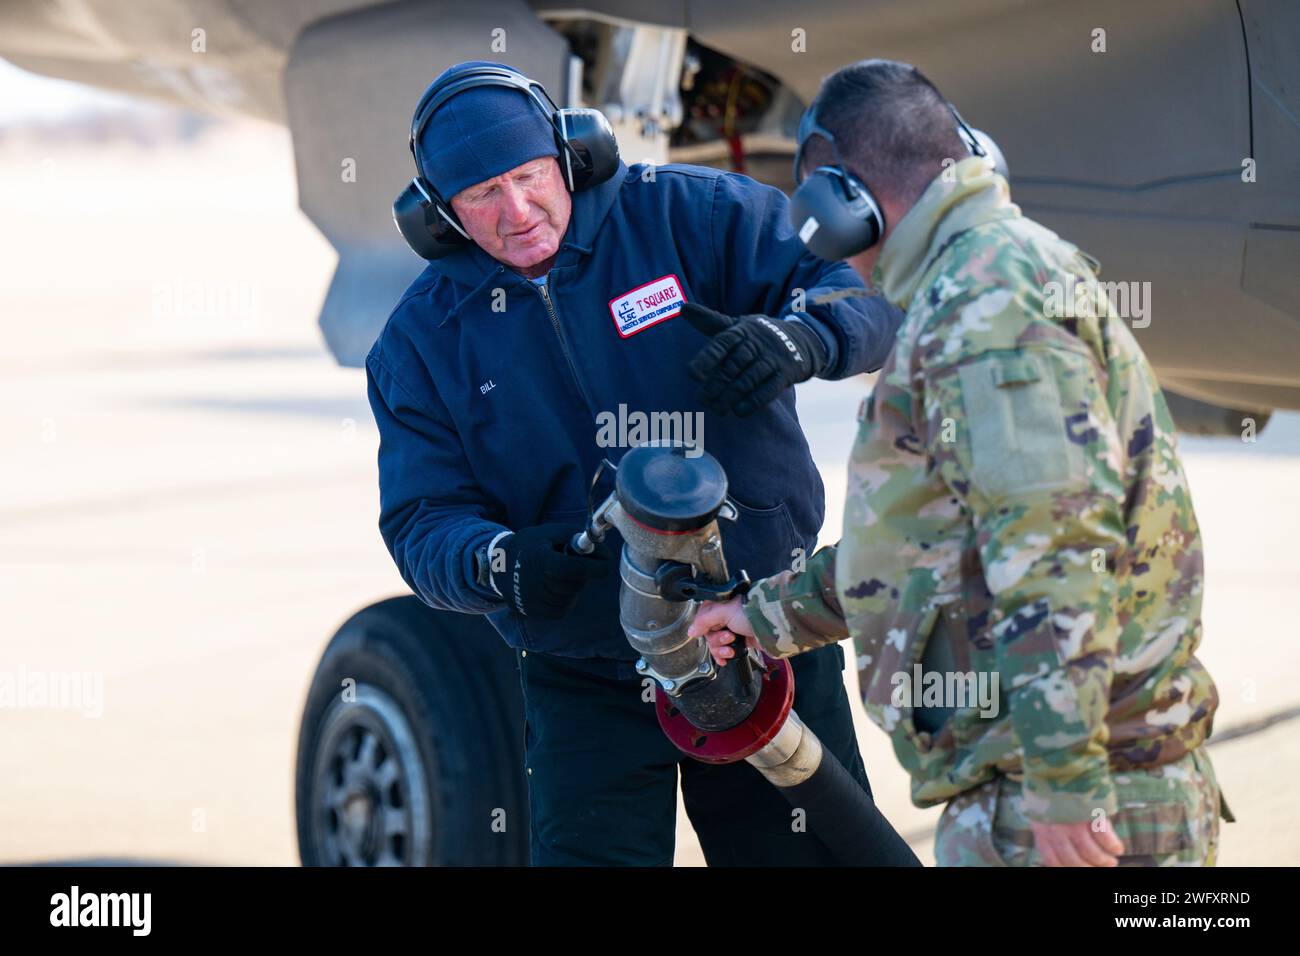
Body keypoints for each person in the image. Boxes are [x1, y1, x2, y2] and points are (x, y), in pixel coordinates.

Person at [366, 60, 906, 865]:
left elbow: (861, 292)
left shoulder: (697, 214)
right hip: (585, 672)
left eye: (528, 176)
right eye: (482, 195)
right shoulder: (420, 343)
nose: (517, 212)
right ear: (437, 216)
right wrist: (500, 563)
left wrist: (802, 340)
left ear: (571, 153)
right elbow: (423, 522)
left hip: (758, 629)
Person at [691, 59, 1228, 867]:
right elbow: (926, 538)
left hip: (1064, 802)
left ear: (845, 207)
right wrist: (765, 617)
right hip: (1055, 783)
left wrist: (1064, 788)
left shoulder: (987, 307)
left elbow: (1053, 548)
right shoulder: (987, 282)